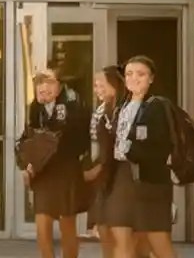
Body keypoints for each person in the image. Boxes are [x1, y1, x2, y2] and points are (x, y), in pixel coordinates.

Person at [105, 56, 176, 258]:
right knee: (121, 237)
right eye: (129, 74)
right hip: (122, 178)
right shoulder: (123, 105)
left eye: (140, 74)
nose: (133, 78)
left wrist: (132, 150)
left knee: (157, 241)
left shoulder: (158, 106)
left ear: (151, 78)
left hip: (149, 180)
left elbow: (160, 148)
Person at [22, 69, 90, 258]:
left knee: (66, 221)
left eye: (49, 84)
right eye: (40, 86)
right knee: (42, 220)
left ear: (59, 86)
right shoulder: (35, 108)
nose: (44, 90)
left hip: (66, 167)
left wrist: (54, 136)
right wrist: (27, 163)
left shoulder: (73, 105)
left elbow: (80, 137)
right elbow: (29, 136)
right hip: (44, 170)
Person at [84, 65, 127, 258]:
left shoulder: (127, 110)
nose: (97, 89)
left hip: (123, 176)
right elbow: (99, 145)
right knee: (103, 227)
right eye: (95, 85)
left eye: (101, 84)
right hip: (104, 177)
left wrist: (100, 166)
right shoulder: (101, 112)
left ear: (115, 85)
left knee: (123, 234)